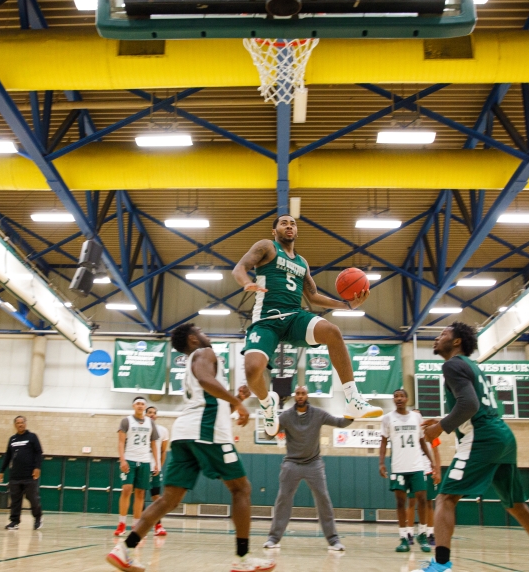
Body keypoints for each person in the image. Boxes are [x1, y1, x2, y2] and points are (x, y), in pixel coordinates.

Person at [106, 323, 274, 572]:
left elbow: (211, 400)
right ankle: (242, 558)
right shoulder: (205, 353)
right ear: (193, 339)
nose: (206, 334)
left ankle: (125, 549)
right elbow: (206, 382)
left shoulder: (193, 362)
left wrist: (237, 400)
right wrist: (237, 403)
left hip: (185, 433)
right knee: (241, 489)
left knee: (169, 499)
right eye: (200, 331)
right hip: (205, 432)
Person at [413, 323, 529, 572]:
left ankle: (441, 566)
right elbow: (476, 406)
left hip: (482, 437)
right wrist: (443, 419)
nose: (437, 337)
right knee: (516, 505)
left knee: (445, 497)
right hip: (502, 436)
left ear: (457, 341)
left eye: (443, 334)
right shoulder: (473, 366)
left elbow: (469, 406)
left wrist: (440, 427)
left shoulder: (452, 365)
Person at [232, 214, 381, 437]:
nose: (289, 226)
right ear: (274, 231)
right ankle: (267, 404)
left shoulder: (301, 263)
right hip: (266, 320)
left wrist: (347, 305)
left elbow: (313, 296)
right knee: (252, 369)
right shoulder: (267, 247)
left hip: (294, 317)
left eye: (292, 223)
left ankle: (353, 399)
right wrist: (247, 283)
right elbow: (239, 268)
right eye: (284, 223)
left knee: (332, 331)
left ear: (296, 231)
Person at [263, 385, 352, 552]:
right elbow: (269, 435)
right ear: (294, 396)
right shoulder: (286, 416)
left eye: (303, 393)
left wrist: (352, 414)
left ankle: (333, 540)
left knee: (323, 498)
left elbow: (340, 422)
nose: (300, 396)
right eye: (297, 393)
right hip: (292, 463)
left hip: (313, 463)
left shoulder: (318, 414)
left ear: (307, 395)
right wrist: (268, 419)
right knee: (283, 499)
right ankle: (273, 538)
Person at [379, 389, 438, 553]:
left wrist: (432, 462)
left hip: (416, 466)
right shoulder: (387, 418)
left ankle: (423, 535)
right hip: (398, 467)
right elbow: (383, 442)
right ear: (393, 400)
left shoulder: (416, 417)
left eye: (402, 396)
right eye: (396, 396)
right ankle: (404, 538)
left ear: (407, 399)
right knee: (400, 502)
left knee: (422, 499)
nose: (399, 398)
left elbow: (422, 441)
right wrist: (381, 462)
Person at [114, 397, 158, 536]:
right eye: (138, 403)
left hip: (145, 460)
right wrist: (122, 460)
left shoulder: (150, 423)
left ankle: (136, 525)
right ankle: (121, 524)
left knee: (140, 493)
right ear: (133, 406)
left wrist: (156, 463)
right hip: (130, 459)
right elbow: (121, 442)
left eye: (142, 404)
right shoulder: (126, 421)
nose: (140, 406)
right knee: (127, 489)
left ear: (145, 407)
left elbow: (153, 444)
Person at [0, 415, 44, 530]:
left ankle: (38, 518)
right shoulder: (12, 439)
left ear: (25, 423)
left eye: (22, 422)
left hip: (29, 476)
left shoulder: (32, 437)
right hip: (15, 476)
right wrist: (2, 471)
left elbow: (39, 453)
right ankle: (14, 521)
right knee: (15, 500)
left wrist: (37, 467)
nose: (20, 424)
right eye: (18, 423)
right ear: (15, 425)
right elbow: (8, 456)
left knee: (33, 498)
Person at [146, 405, 170, 537]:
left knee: (156, 497)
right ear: (145, 414)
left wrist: (159, 466)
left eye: (154, 413)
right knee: (139, 495)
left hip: (155, 468)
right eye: (149, 412)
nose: (152, 414)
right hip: (142, 465)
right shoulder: (141, 429)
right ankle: (138, 525)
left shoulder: (163, 430)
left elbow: (163, 451)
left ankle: (158, 525)